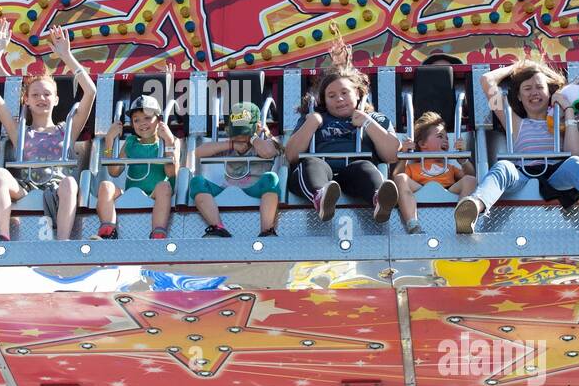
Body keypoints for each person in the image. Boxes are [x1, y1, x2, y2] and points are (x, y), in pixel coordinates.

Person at [454, 59, 579, 234]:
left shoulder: (562, 123)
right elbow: (487, 81)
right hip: (523, 173)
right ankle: (474, 207)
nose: (534, 92)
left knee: (575, 162)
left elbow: (572, 152)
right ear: (518, 96)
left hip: (555, 174)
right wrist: (519, 66)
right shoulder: (513, 122)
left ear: (549, 93)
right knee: (503, 166)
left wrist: (568, 109)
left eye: (540, 87)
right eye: (527, 88)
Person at [0, 20, 96, 241]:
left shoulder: (66, 131)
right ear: (26, 100)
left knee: (70, 182)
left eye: (46, 94)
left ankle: (62, 241)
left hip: (57, 187)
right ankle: (2, 234)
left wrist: (66, 56)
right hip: (26, 186)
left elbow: (90, 91)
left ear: (56, 100)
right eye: (35, 95)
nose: (41, 98)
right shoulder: (19, 131)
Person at [284, 38, 400, 223]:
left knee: (364, 167)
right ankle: (321, 198)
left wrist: (367, 123)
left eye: (345, 93)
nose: (339, 99)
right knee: (310, 165)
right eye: (332, 95)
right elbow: (290, 155)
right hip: (321, 170)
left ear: (358, 94)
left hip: (353, 171)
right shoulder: (313, 118)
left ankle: (380, 200)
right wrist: (312, 123)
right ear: (324, 101)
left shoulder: (374, 118)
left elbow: (392, 155)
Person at [189, 101, 281, 237]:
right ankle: (218, 227)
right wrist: (230, 144)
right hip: (229, 188)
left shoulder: (264, 142)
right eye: (236, 132)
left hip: (255, 188)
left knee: (271, 179)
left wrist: (254, 138)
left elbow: (269, 151)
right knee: (197, 182)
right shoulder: (229, 145)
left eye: (244, 132)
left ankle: (267, 230)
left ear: (257, 127)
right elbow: (198, 152)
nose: (240, 137)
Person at [95, 94, 179, 240]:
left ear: (159, 120)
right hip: (131, 193)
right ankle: (108, 228)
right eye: (136, 120)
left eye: (147, 118)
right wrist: (109, 141)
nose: (142, 123)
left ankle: (158, 232)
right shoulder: (131, 143)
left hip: (156, 194)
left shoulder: (169, 142)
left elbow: (171, 172)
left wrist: (169, 142)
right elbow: (114, 171)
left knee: (164, 186)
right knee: (105, 186)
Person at [393, 111, 477, 234]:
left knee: (471, 180)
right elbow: (396, 178)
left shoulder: (450, 167)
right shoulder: (413, 167)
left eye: (447, 138)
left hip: (447, 189)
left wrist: (463, 160)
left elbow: (470, 175)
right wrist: (404, 157)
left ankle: (463, 217)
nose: (446, 141)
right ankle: (412, 223)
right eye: (440, 136)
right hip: (420, 188)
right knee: (400, 178)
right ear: (422, 144)